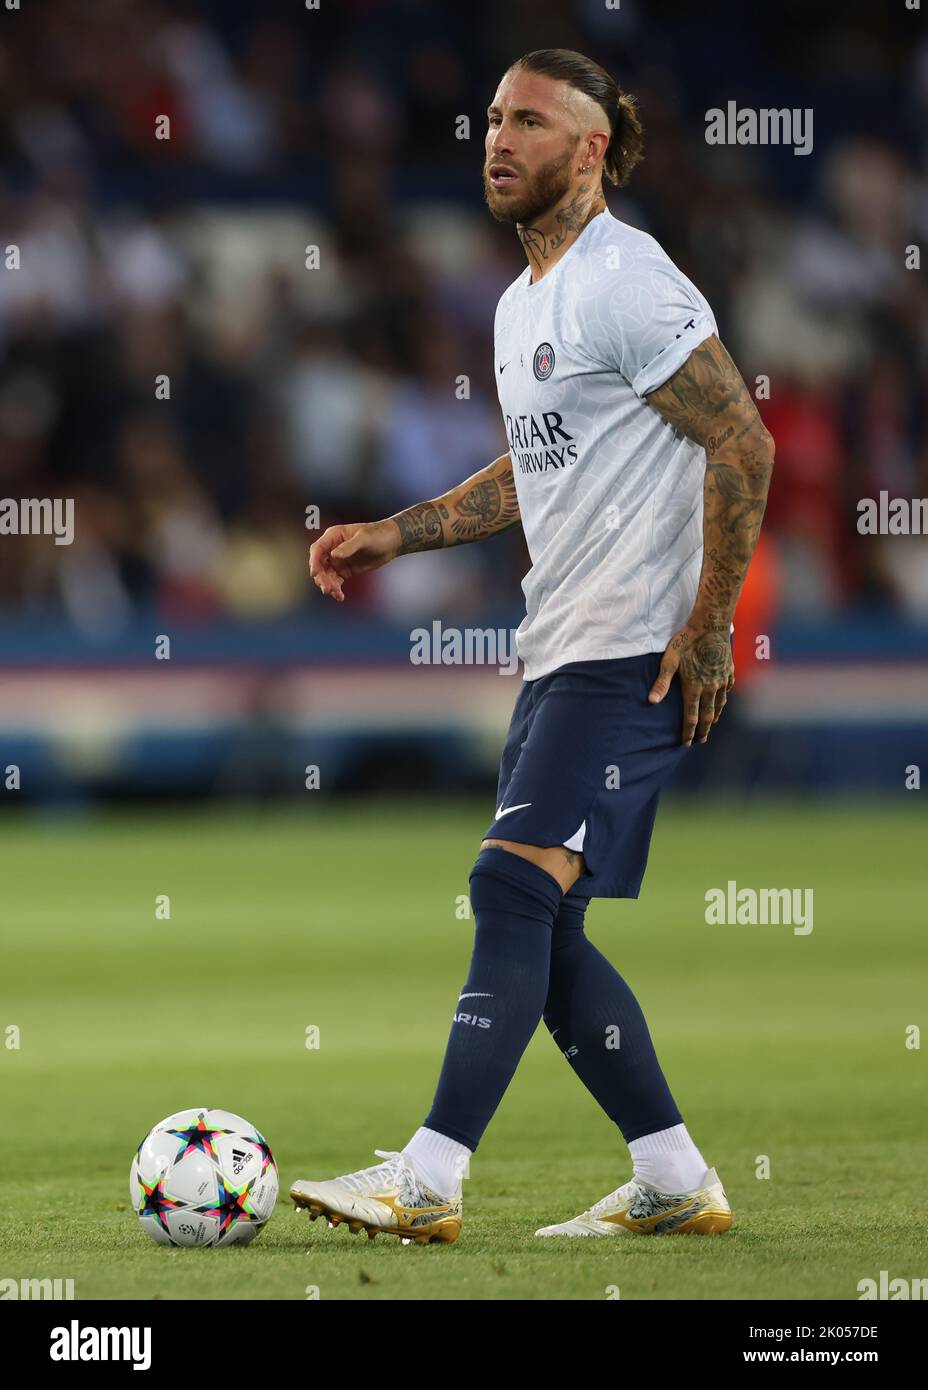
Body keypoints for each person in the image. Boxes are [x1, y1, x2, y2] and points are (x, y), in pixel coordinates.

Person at [292, 48, 774, 1244]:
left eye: (531, 123)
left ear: (593, 147)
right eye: (492, 119)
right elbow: (539, 466)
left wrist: (708, 626)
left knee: (509, 886)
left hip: (631, 654)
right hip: (560, 646)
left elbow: (744, 443)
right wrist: (394, 535)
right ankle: (670, 1174)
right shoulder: (521, 305)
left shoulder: (627, 276)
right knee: (547, 925)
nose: (497, 140)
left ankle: (428, 1179)